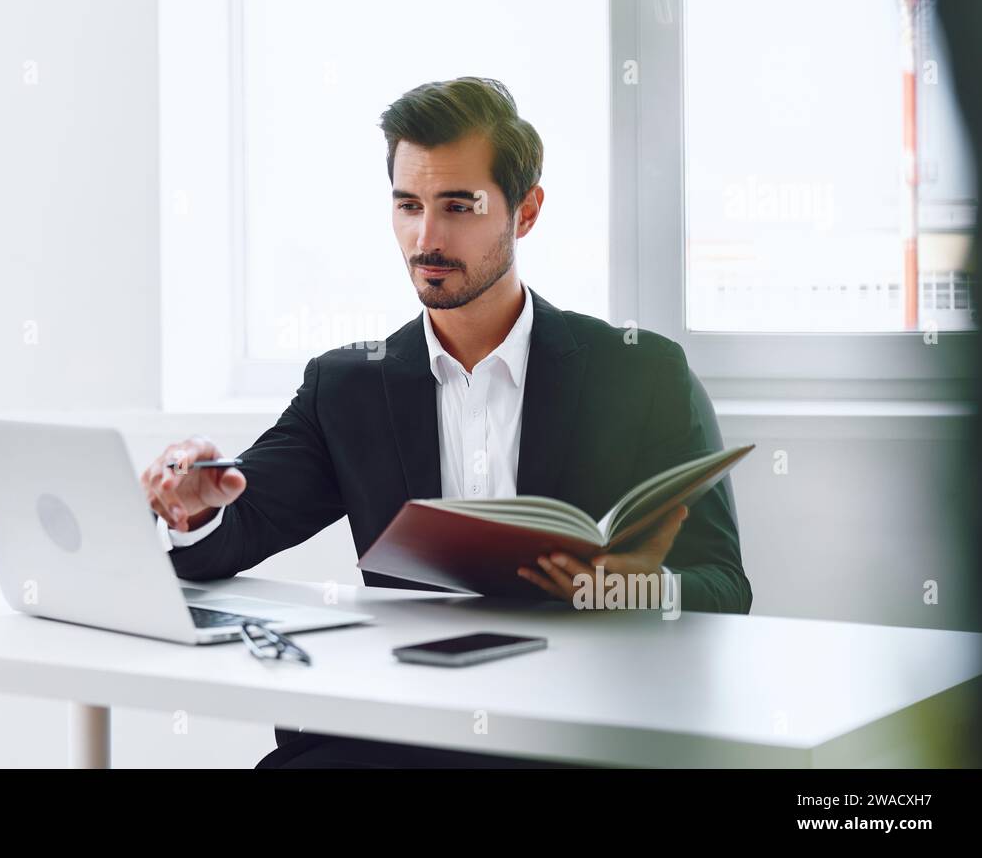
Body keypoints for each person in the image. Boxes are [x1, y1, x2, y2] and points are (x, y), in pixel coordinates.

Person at [140, 77, 751, 767]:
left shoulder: (641, 374)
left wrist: (624, 586)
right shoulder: (346, 386)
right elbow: (233, 533)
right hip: (406, 728)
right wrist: (195, 507)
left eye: (459, 206)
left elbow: (724, 587)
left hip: (575, 727)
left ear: (525, 213)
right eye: (409, 205)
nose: (426, 237)